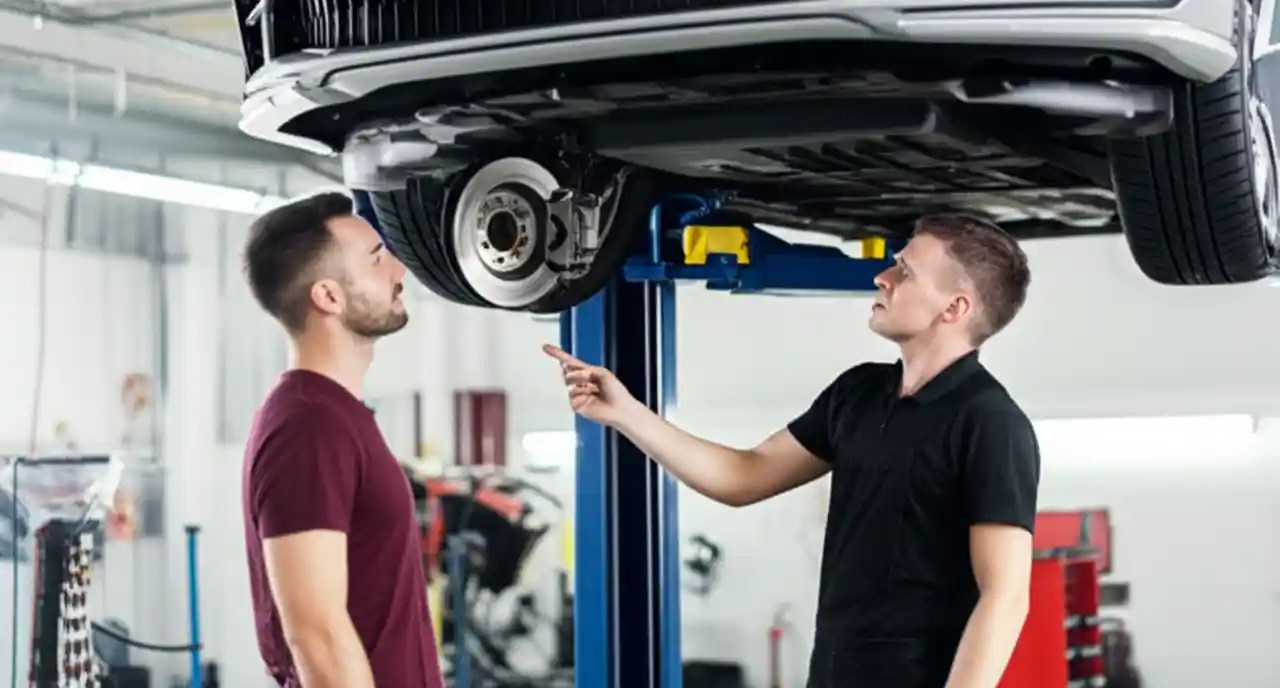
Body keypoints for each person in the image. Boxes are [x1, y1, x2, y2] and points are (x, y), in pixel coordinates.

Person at [545, 213, 1039, 688]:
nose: (883, 277)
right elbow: (745, 475)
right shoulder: (859, 393)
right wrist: (627, 413)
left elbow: (1005, 596)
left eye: (905, 271)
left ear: (954, 308)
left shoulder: (990, 423)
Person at [239, 191, 442, 688]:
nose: (399, 271)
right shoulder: (307, 427)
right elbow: (317, 637)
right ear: (328, 296)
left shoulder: (334, 415)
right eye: (378, 260)